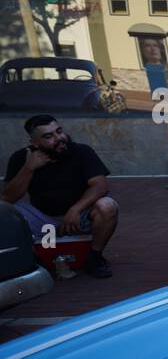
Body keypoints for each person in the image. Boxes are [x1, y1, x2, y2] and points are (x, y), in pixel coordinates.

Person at [2, 114, 117, 278]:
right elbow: (8, 197)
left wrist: (75, 210)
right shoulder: (22, 158)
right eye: (49, 136)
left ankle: (95, 257)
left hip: (80, 217)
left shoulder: (81, 151)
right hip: (43, 220)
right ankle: (33, 260)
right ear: (35, 143)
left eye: (59, 131)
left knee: (107, 205)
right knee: (7, 213)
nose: (59, 138)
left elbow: (101, 185)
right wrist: (28, 168)